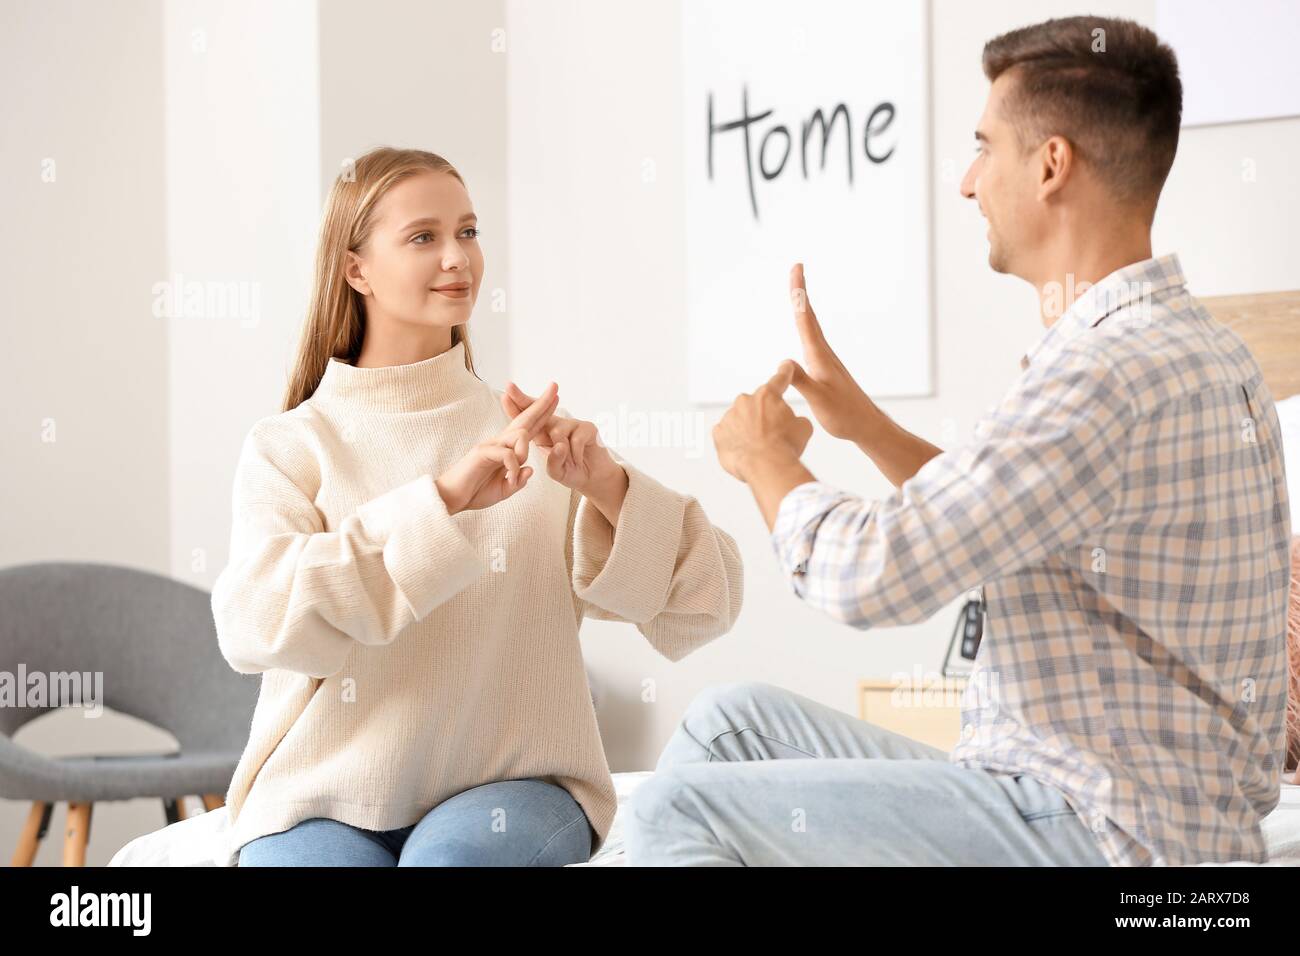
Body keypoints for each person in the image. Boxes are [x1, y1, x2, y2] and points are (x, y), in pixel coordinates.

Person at [628, 15, 1291, 867]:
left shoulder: (1100, 375)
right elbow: (1008, 523)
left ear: (1051, 165)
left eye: (984, 148)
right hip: (1125, 805)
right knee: (728, 724)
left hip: (1104, 833)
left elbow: (873, 578)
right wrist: (865, 427)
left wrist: (767, 462)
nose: (968, 182)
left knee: (672, 809)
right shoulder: (1203, 349)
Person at [212, 146, 744, 866]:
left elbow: (709, 602)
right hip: (320, 797)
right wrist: (443, 503)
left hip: (511, 785)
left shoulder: (528, 438)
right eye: (424, 237)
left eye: (467, 231)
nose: (457, 257)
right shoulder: (290, 446)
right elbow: (255, 626)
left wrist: (609, 489)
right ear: (355, 268)